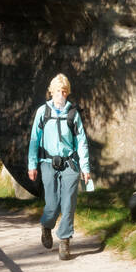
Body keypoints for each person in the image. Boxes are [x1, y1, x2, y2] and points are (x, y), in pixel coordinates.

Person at [27, 73, 91, 259]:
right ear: (51, 92)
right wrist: (32, 165)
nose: (60, 94)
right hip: (47, 163)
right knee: (53, 203)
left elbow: (82, 142)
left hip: (69, 164)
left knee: (69, 202)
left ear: (67, 93)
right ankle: (47, 226)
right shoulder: (42, 112)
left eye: (64, 91)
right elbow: (34, 140)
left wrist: (85, 168)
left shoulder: (73, 113)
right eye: (57, 91)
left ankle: (64, 241)